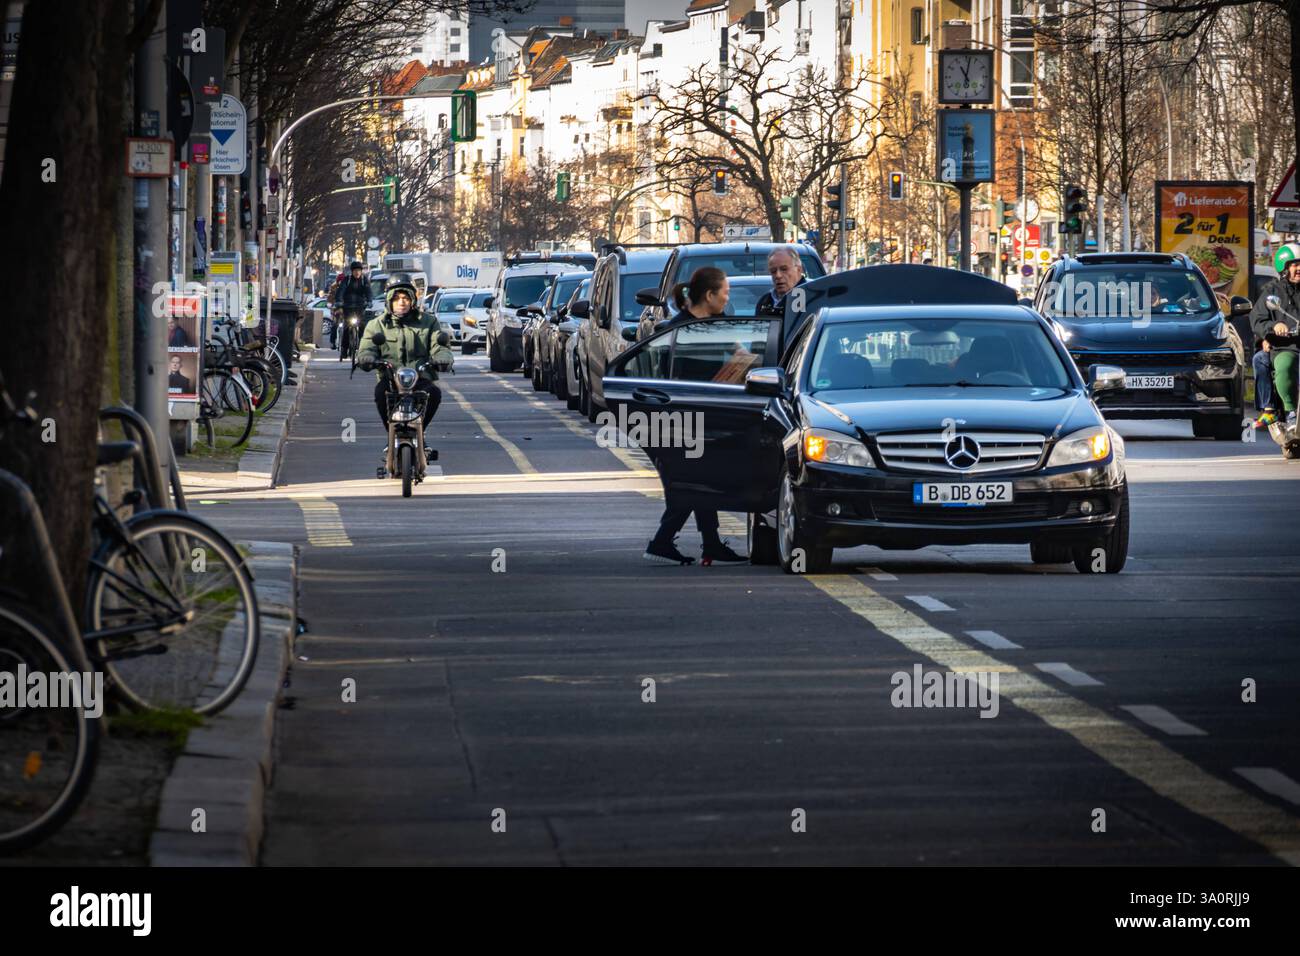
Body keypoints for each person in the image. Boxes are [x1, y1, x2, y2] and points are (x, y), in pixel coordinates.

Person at [643, 267, 746, 567]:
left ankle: (709, 544)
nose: (728, 298)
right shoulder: (676, 330)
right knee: (690, 481)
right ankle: (663, 541)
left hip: (710, 414)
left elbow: (739, 353)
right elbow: (665, 378)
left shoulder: (719, 324)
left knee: (701, 479)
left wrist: (741, 369)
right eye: (725, 292)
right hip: (680, 418)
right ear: (710, 295)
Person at [355, 278, 445, 441]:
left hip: (420, 377)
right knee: (380, 393)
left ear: (412, 300)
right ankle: (391, 433)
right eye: (396, 298)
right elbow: (367, 346)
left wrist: (442, 358)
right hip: (390, 379)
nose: (401, 302)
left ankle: (420, 430)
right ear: (389, 300)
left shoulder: (429, 322)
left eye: (405, 298)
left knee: (435, 394)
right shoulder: (376, 325)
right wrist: (367, 358)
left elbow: (439, 345)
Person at [1250, 242, 1300, 430]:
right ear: (1285, 268)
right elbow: (1258, 319)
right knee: (1268, 361)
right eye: (1294, 265)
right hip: (1284, 346)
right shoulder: (1272, 292)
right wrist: (1272, 329)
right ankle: (1285, 411)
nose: (1299, 269)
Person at [755, 246, 807, 316]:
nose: (778, 275)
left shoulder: (810, 298)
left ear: (799, 269)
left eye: (784, 269)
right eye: (773, 271)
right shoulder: (764, 302)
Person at [331, 261, 370, 350]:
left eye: (359, 270)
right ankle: (344, 348)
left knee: (362, 327)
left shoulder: (364, 280)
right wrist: (339, 302)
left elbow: (369, 292)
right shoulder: (347, 280)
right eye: (355, 270)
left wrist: (369, 301)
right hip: (347, 307)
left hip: (360, 306)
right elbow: (340, 291)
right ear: (352, 271)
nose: (357, 272)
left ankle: (363, 347)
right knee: (346, 327)